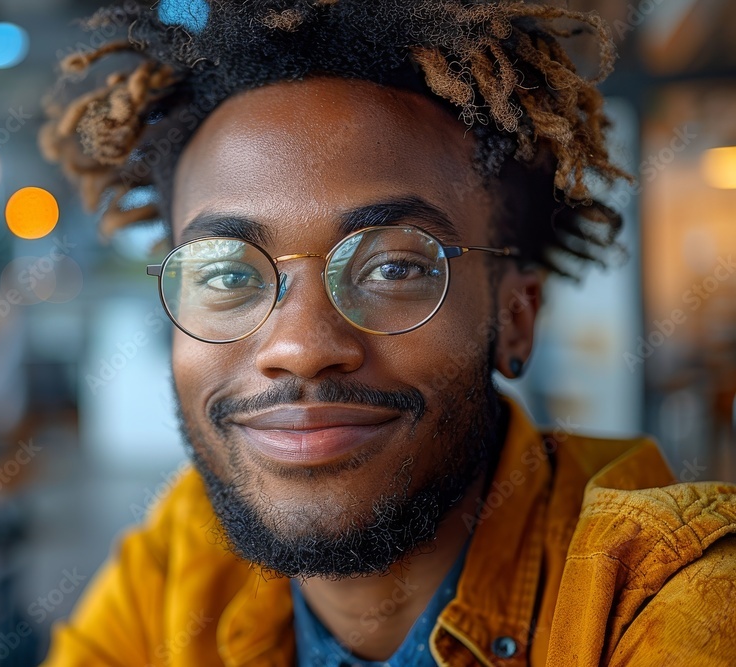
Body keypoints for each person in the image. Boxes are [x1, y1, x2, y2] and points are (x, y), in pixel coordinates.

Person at [38, 1, 736, 664]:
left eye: (395, 266)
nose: (300, 346)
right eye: (227, 276)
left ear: (515, 318)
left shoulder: (662, 594)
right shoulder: (182, 558)